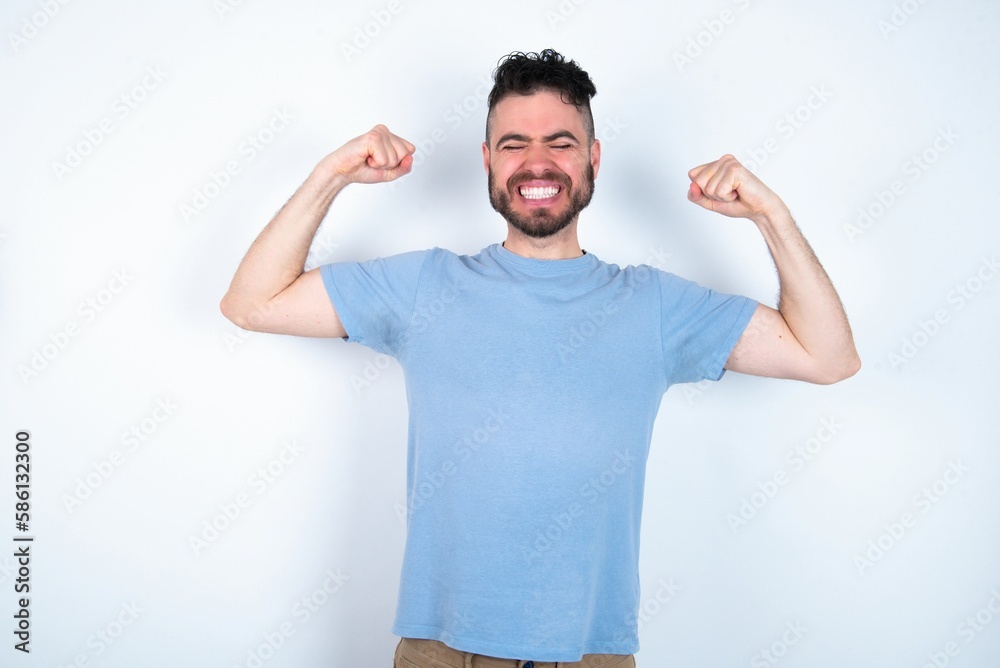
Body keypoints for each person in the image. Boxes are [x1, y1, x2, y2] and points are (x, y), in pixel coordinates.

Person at [220, 49, 860, 668]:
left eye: (560, 142)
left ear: (593, 158)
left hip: (590, 656)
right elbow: (252, 304)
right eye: (512, 144)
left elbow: (828, 357)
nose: (537, 163)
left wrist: (770, 216)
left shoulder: (653, 306)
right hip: (442, 653)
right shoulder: (425, 289)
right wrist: (331, 173)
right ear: (487, 161)